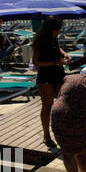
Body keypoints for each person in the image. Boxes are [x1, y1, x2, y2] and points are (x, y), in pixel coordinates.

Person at [31, 18, 68, 148]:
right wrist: (54, 62)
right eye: (57, 29)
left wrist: (64, 54)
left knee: (62, 103)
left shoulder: (54, 38)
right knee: (47, 106)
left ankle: (61, 131)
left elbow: (58, 49)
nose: (58, 32)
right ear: (50, 29)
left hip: (58, 73)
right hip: (46, 75)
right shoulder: (39, 41)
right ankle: (46, 135)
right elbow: (35, 62)